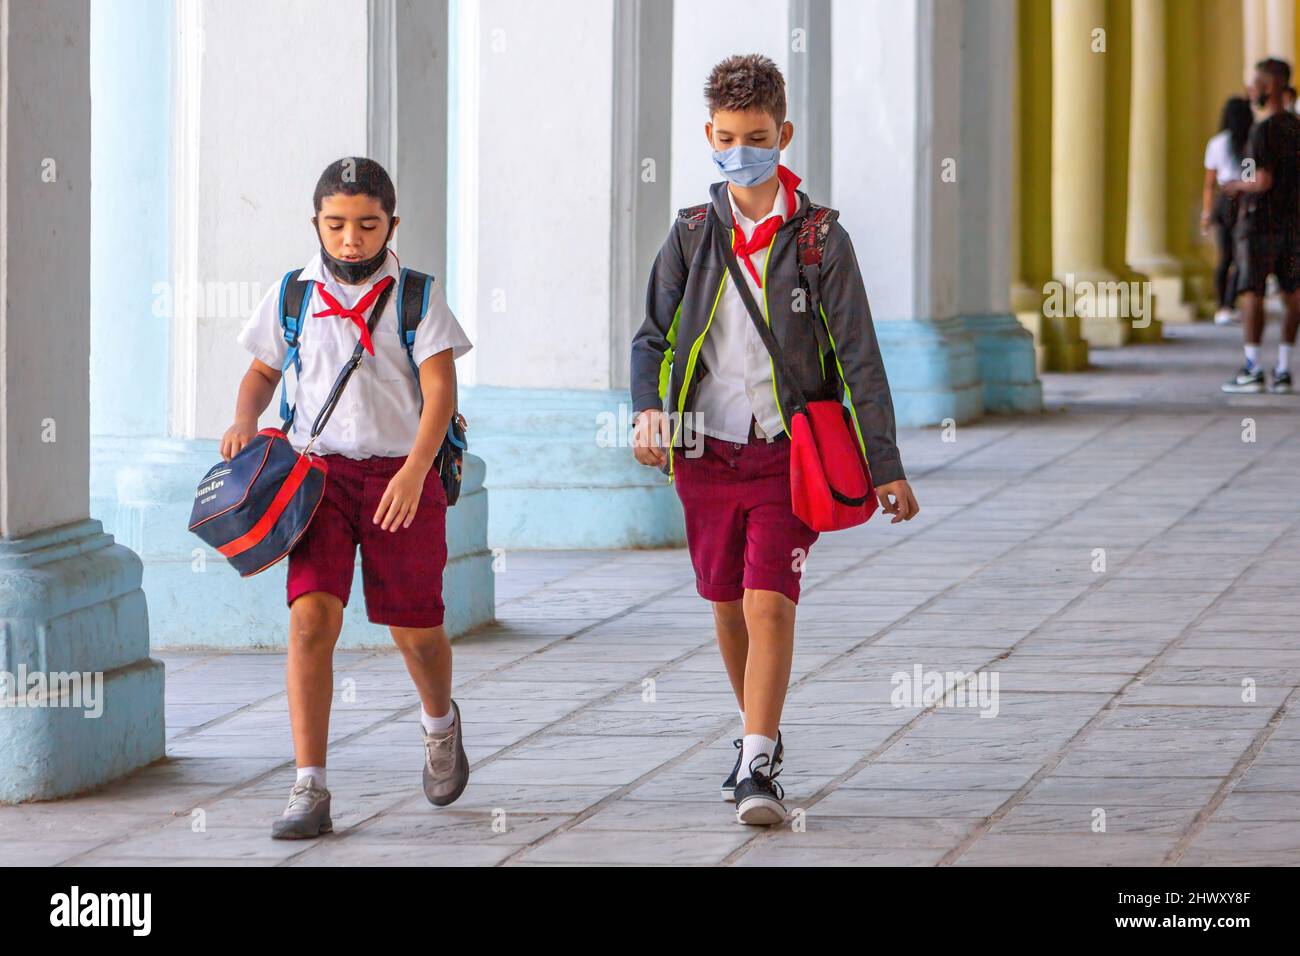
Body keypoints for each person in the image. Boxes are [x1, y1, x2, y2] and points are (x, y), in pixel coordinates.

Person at [629, 54, 919, 826]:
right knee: (726, 603)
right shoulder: (693, 233)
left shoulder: (820, 238)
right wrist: (646, 410)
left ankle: (756, 762)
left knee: (769, 602)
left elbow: (860, 353)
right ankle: (761, 730)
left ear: (783, 134)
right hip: (704, 449)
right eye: (726, 138)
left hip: (786, 452)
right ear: (708, 135)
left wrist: (885, 466)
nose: (740, 152)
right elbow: (650, 337)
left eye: (756, 137)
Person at [223, 158, 474, 838]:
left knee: (414, 629)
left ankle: (439, 723)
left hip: (402, 477)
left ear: (392, 224)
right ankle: (310, 784)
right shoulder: (293, 294)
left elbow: (440, 393)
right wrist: (247, 417)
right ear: (317, 224)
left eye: (367, 225)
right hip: (318, 480)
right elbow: (260, 371)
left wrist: (417, 470)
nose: (350, 239)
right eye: (336, 225)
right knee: (310, 620)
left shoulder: (417, 297)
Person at [1223, 58, 1300, 395]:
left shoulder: (1260, 131)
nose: (1250, 90)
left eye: (1254, 83)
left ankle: (1252, 367)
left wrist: (1236, 184)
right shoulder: (1298, 128)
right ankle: (1284, 368)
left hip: (1260, 226)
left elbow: (1259, 179)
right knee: (1293, 294)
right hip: (1295, 225)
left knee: (1251, 291)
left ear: (1269, 87)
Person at [1201, 96, 1253, 325]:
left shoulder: (1216, 143)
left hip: (1223, 202)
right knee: (1241, 256)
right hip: (1244, 201)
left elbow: (1209, 183)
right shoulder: (1250, 143)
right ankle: (1230, 303)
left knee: (1225, 256)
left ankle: (1221, 305)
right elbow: (1250, 178)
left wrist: (1206, 212)